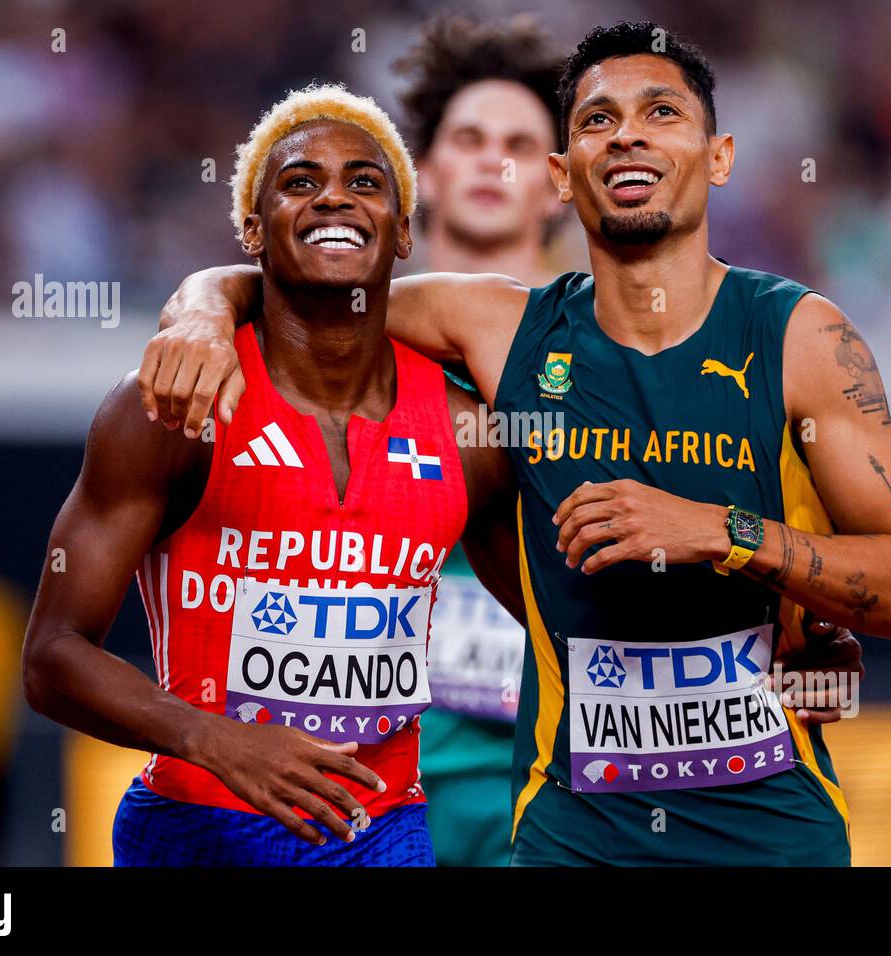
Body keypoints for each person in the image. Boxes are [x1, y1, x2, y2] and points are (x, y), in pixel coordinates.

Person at [141, 21, 891, 865]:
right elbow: (294, 286)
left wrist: (726, 536)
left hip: (773, 835)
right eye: (598, 120)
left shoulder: (801, 337)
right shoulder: (494, 330)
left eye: (662, 112)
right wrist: (201, 309)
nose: (628, 133)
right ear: (565, 177)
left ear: (720, 157)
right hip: (548, 835)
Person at [22, 83, 523, 866]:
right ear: (252, 229)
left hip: (380, 829)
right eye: (300, 182)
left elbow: (562, 622)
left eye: (366, 182)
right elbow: (51, 656)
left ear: (401, 236)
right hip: (196, 826)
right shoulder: (172, 406)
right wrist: (212, 738)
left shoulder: (469, 431)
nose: (335, 196)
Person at [388, 13, 567, 868]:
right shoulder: (339, 350)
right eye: (469, 137)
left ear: (558, 183)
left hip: (555, 803)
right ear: (422, 171)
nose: (493, 160)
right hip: (369, 804)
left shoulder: (613, 356)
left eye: (521, 144)